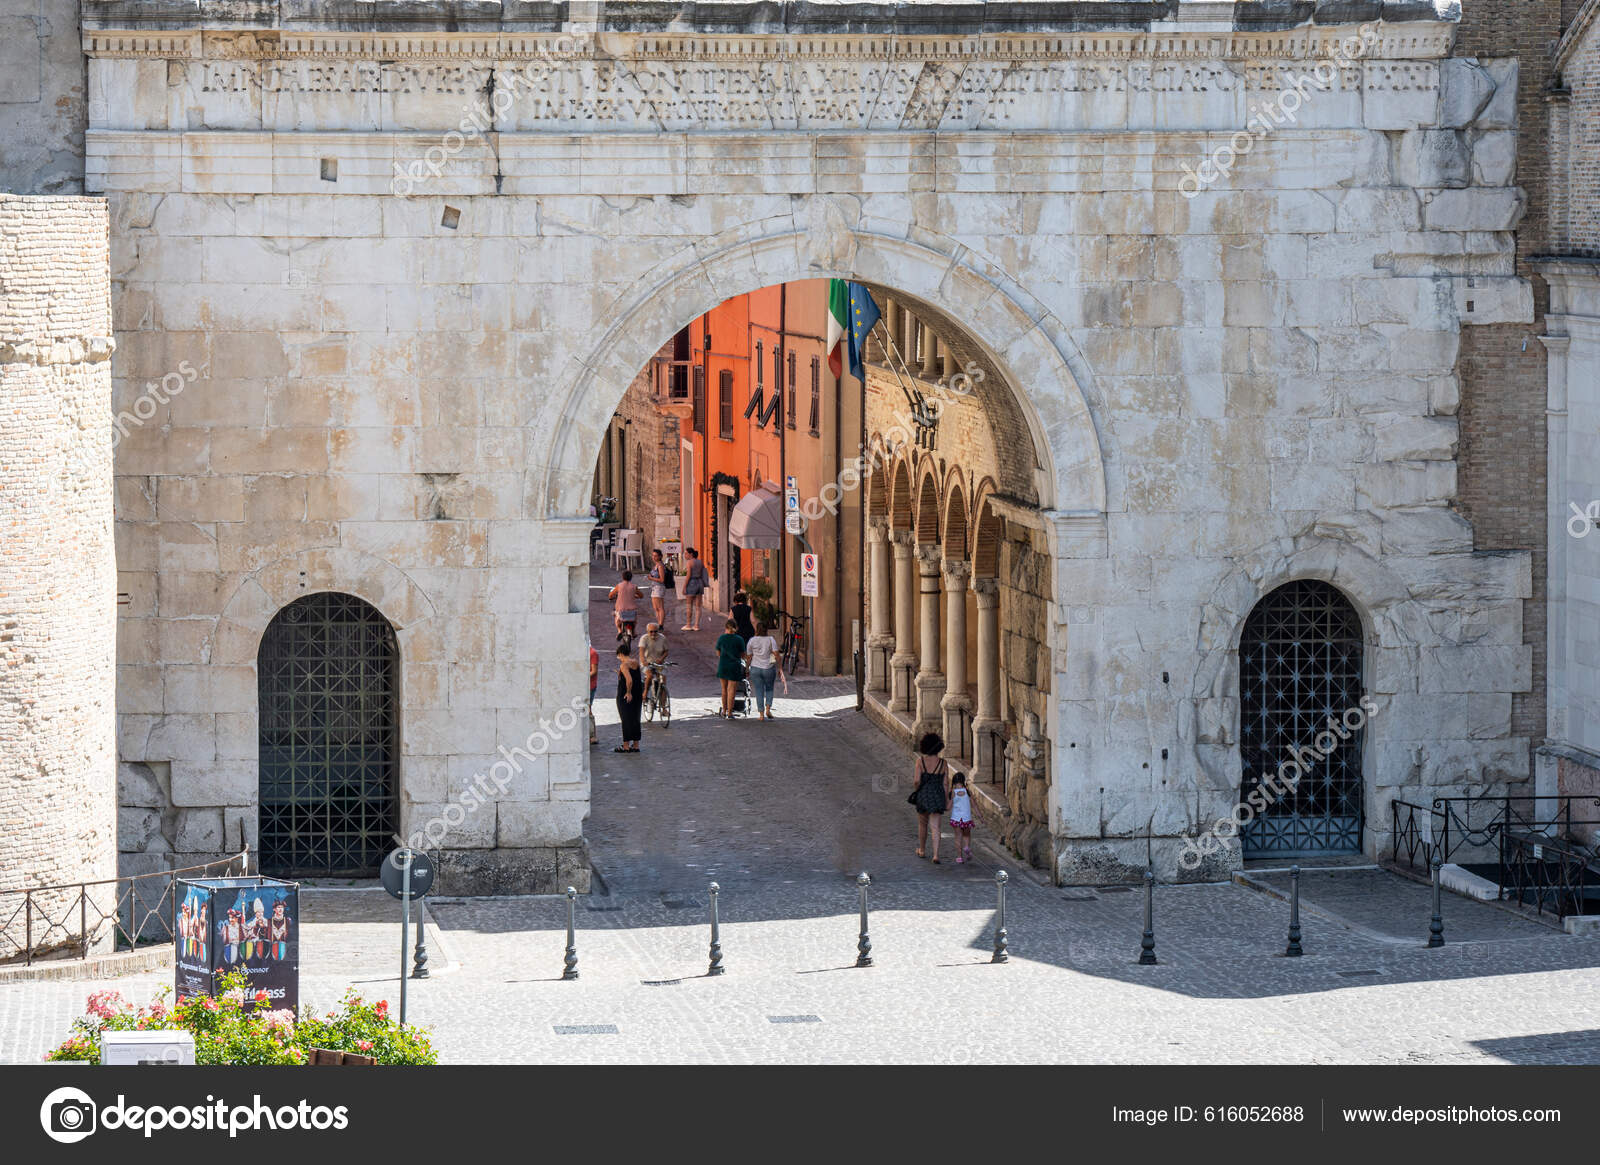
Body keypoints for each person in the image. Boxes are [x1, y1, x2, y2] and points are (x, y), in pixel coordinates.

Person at [909, 732, 949, 863]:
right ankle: (936, 855)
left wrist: (917, 791)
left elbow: (916, 781)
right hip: (937, 796)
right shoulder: (943, 763)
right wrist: (946, 799)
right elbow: (945, 783)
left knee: (922, 824)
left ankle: (922, 849)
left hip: (924, 795)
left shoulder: (920, 761)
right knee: (936, 826)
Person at [743, 620, 786, 720]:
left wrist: (746, 669)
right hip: (768, 668)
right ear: (766, 630)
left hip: (755, 668)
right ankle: (768, 709)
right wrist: (780, 668)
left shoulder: (752, 640)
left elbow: (749, 657)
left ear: (756, 630)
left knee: (758, 690)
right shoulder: (771, 639)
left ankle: (761, 714)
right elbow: (777, 655)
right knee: (769, 689)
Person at [614, 642, 644, 752]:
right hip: (637, 694)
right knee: (635, 718)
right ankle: (636, 745)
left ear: (621, 654)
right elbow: (635, 677)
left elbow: (629, 680)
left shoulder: (624, 665)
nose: (619, 658)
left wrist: (628, 692)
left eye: (618, 656)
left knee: (626, 719)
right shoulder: (635, 662)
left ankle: (626, 746)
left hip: (626, 695)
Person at [714, 618, 747, 718]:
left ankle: (724, 711)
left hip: (723, 665)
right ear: (735, 628)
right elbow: (743, 655)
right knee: (731, 690)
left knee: (724, 689)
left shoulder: (721, 638)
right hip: (734, 666)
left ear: (726, 628)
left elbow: (718, 652)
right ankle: (730, 712)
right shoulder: (739, 639)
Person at [638, 622, 669, 711]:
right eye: (651, 632)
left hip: (659, 663)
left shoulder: (663, 638)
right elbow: (641, 651)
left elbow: (666, 651)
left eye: (655, 632)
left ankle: (663, 708)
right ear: (647, 631)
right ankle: (645, 692)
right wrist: (643, 661)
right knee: (649, 675)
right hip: (647, 663)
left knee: (663, 680)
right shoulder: (644, 638)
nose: (653, 634)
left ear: (658, 631)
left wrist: (661, 658)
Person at [609, 569, 641, 642]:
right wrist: (635, 595)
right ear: (631, 577)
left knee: (615, 615)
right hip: (632, 611)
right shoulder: (634, 586)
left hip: (621, 610)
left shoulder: (619, 586)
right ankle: (634, 631)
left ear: (622, 577)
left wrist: (612, 597)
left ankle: (619, 630)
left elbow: (610, 595)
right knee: (634, 620)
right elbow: (641, 595)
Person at [948, 771, 974, 863]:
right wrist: (981, 817)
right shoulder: (968, 792)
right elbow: (974, 805)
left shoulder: (953, 793)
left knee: (958, 837)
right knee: (966, 835)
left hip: (956, 819)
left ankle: (959, 857)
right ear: (963, 781)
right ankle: (966, 847)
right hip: (967, 819)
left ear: (954, 782)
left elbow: (948, 807)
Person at [681, 548, 709, 631]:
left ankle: (688, 624)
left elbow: (688, 575)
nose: (685, 555)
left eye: (686, 553)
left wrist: (684, 587)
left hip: (692, 583)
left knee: (689, 605)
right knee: (698, 606)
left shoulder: (689, 562)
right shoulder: (700, 561)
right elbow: (703, 572)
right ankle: (696, 625)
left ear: (691, 554)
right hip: (700, 582)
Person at [647, 549, 674, 628]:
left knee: (659, 607)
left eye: (655, 556)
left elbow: (662, 579)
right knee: (655, 607)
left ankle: (660, 624)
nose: (654, 557)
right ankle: (659, 623)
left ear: (660, 556)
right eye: (653, 555)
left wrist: (651, 578)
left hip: (659, 587)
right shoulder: (656, 565)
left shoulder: (660, 566)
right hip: (654, 587)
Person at [588, 643, 600, 745]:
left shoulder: (592, 653)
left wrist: (582, 676)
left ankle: (592, 735)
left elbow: (594, 671)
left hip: (589, 686)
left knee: (588, 709)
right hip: (582, 685)